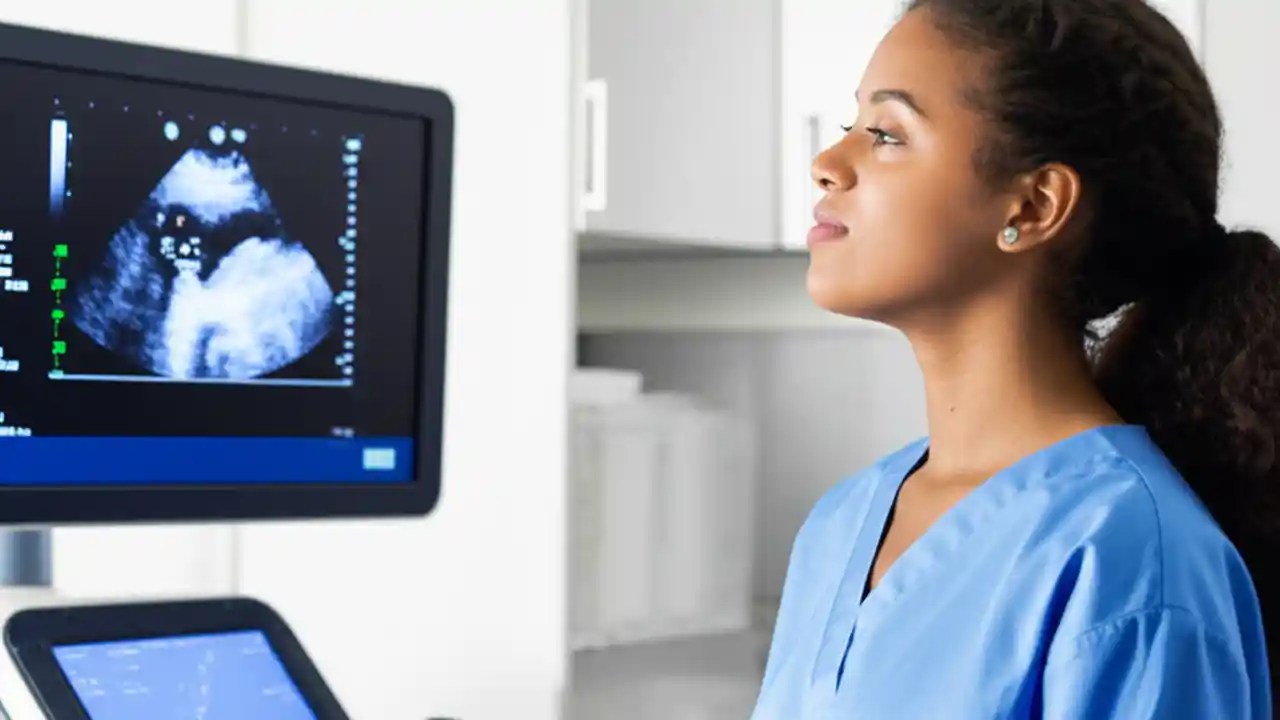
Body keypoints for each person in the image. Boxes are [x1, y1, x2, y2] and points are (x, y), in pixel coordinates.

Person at [751, 1, 1279, 718]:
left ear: (1033, 207)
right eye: (851, 127)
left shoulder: (1131, 559)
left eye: (885, 133)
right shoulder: (839, 525)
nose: (826, 163)